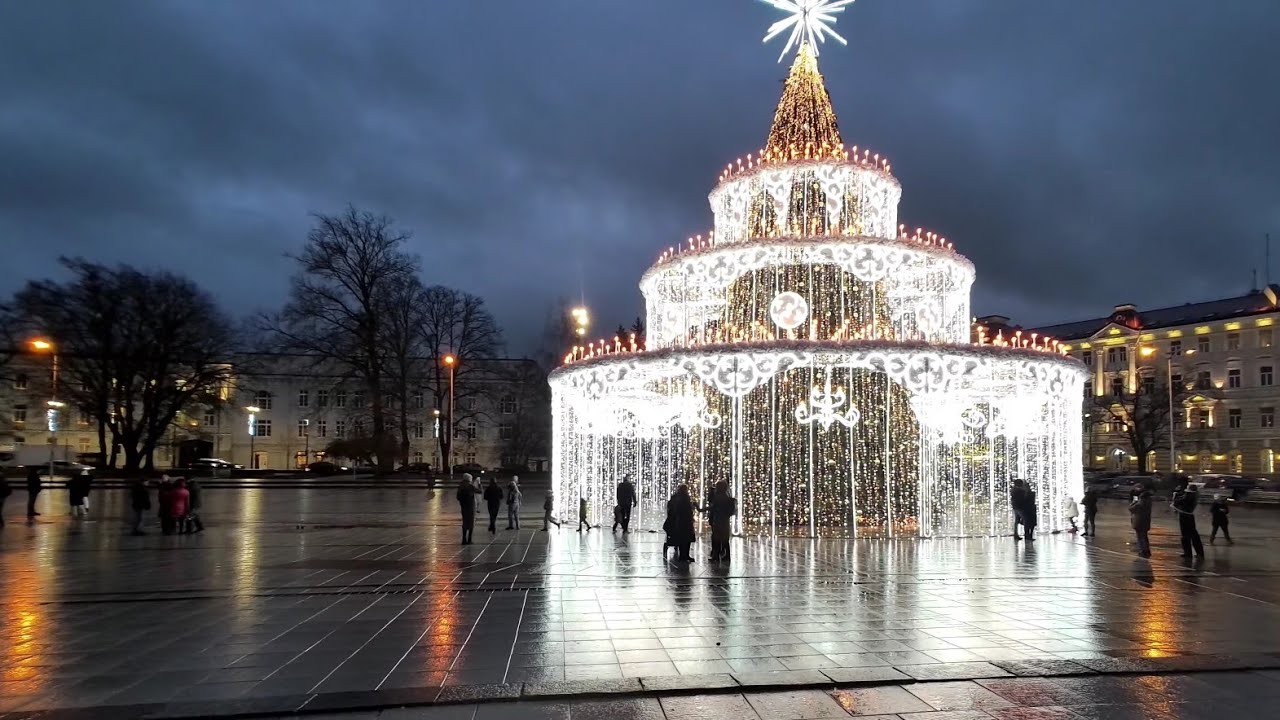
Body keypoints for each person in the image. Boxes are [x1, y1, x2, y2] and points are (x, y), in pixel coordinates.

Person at [1171, 478, 1205, 558]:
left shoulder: (1190, 495)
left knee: (1187, 535)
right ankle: (1197, 552)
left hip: (1185, 516)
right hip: (1188, 515)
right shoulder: (1193, 495)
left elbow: (1179, 501)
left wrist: (1176, 493)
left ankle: (1189, 553)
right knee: (1193, 535)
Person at [664, 485, 696, 563]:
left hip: (681, 521)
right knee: (686, 539)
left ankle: (684, 555)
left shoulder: (677, 498)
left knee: (684, 539)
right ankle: (684, 555)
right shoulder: (683, 498)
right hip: (685, 521)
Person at [708, 480, 737, 563]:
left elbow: (712, 507)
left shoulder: (718, 497)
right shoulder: (727, 497)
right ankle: (727, 556)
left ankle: (716, 556)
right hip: (725, 521)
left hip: (718, 520)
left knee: (716, 539)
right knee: (724, 540)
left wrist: (700, 509)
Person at [1129, 483, 1153, 558]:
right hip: (1144, 519)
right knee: (1143, 535)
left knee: (1141, 535)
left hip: (1139, 519)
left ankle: (1143, 550)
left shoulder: (1142, 499)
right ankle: (1145, 549)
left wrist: (1132, 503)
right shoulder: (1148, 498)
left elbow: (1133, 508)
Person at [457, 474, 477, 545]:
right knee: (471, 523)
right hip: (471, 507)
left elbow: (458, 497)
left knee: (465, 523)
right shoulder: (470, 486)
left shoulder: (460, 487)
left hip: (464, 507)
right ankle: (469, 539)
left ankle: (464, 539)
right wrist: (479, 484)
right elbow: (479, 491)